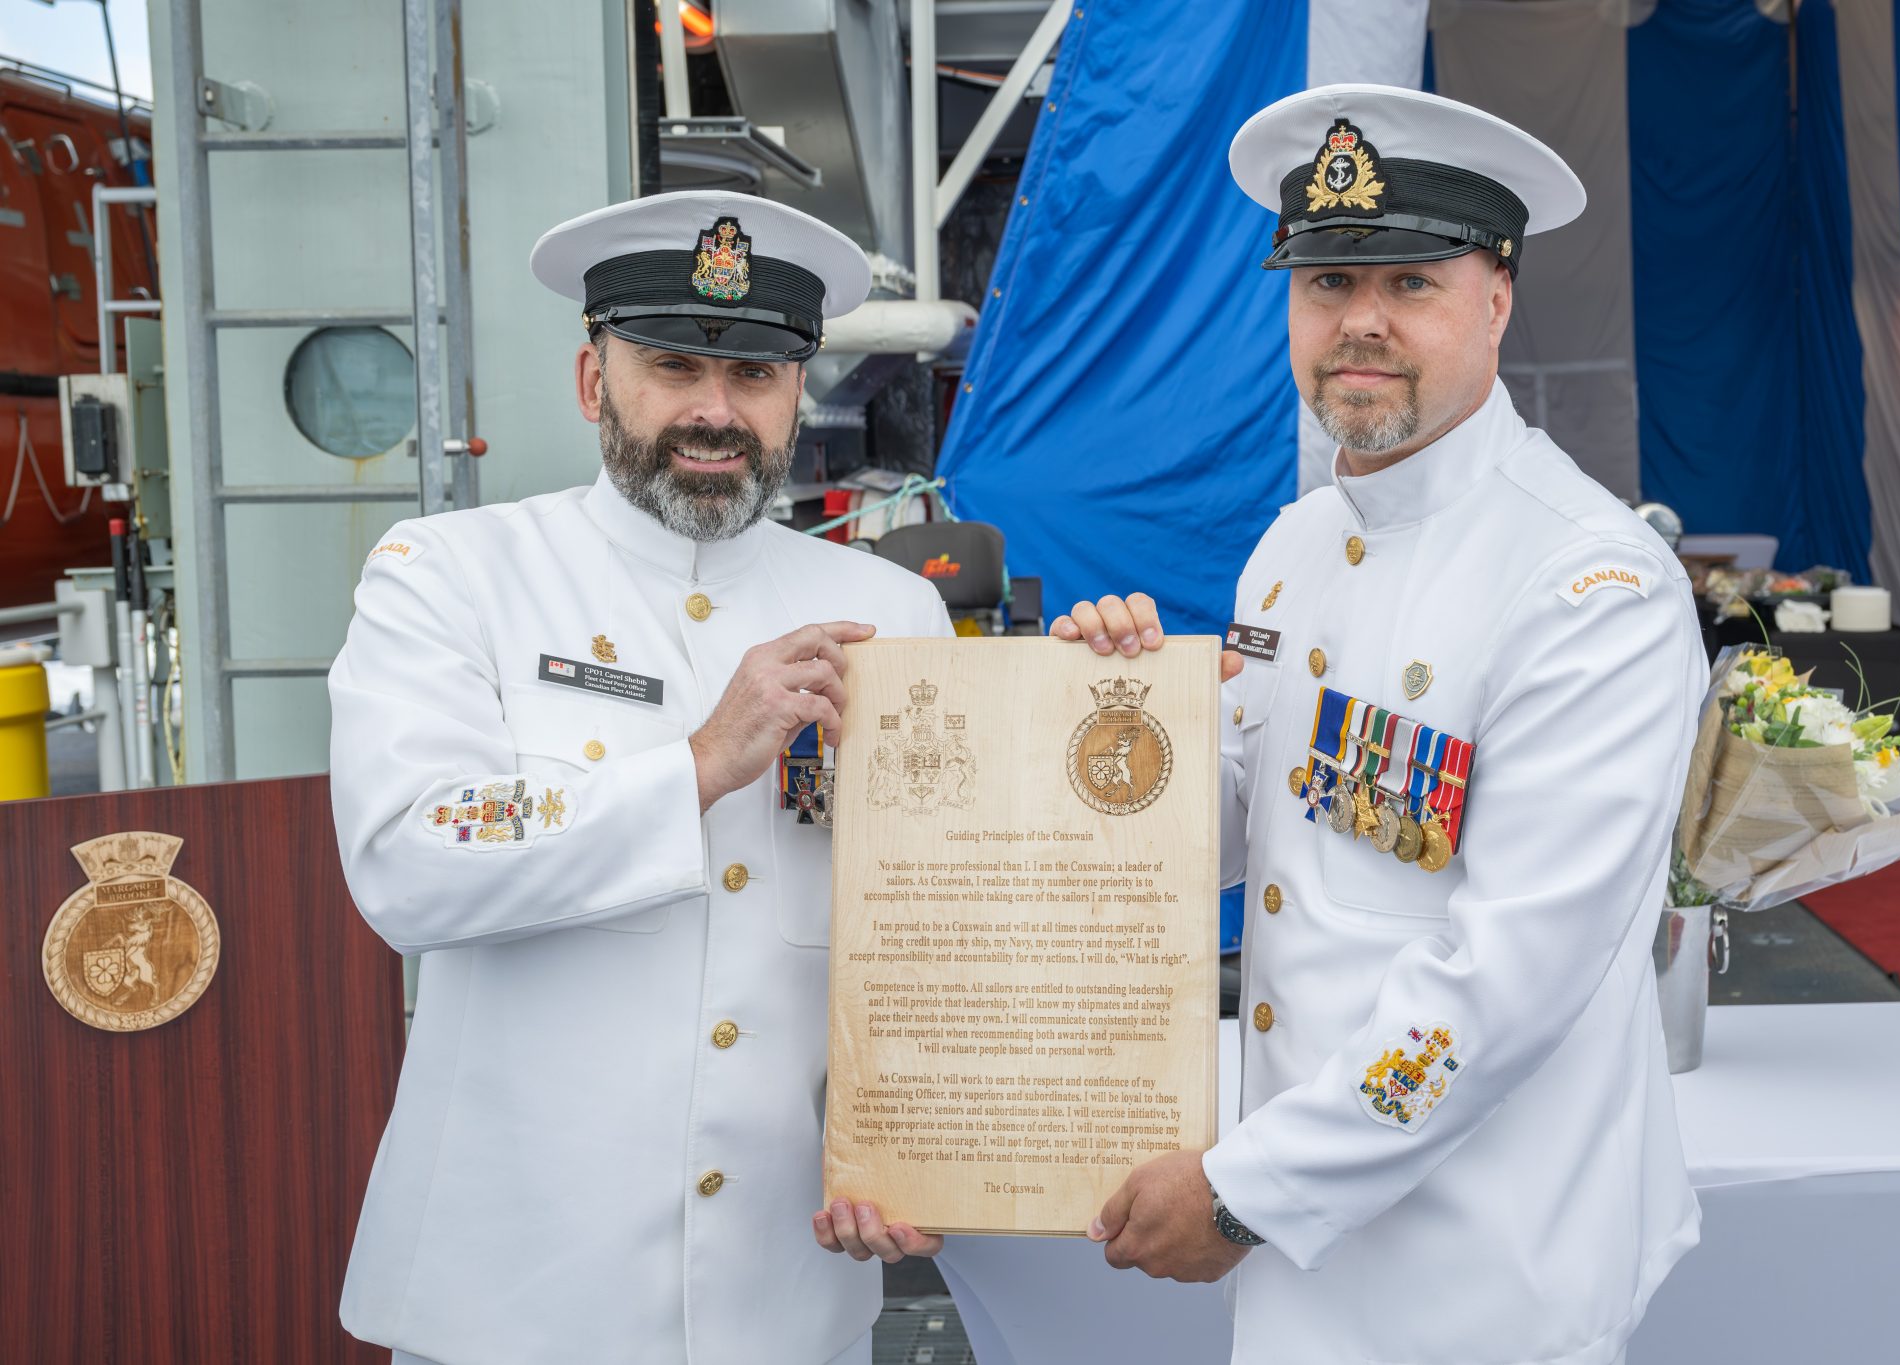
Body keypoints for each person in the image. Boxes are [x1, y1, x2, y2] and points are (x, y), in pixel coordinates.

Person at [1053, 85, 1707, 1365]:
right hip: (1302, 1245)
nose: (1359, 320)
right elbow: (1244, 837)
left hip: (1482, 1272)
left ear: (1495, 299)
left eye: (1410, 281)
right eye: (1326, 282)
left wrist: (1246, 1193)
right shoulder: (1293, 548)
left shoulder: (1589, 585)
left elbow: (1509, 980)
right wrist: (1113, 732)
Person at [329, 190, 948, 1365]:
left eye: (755, 374)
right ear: (591, 381)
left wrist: (914, 1153)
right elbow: (408, 861)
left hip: (784, 1295)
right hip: (516, 1302)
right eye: (671, 366)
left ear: (795, 393)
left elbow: (933, 938)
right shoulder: (453, 575)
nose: (714, 410)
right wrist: (699, 766)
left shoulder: (891, 612)